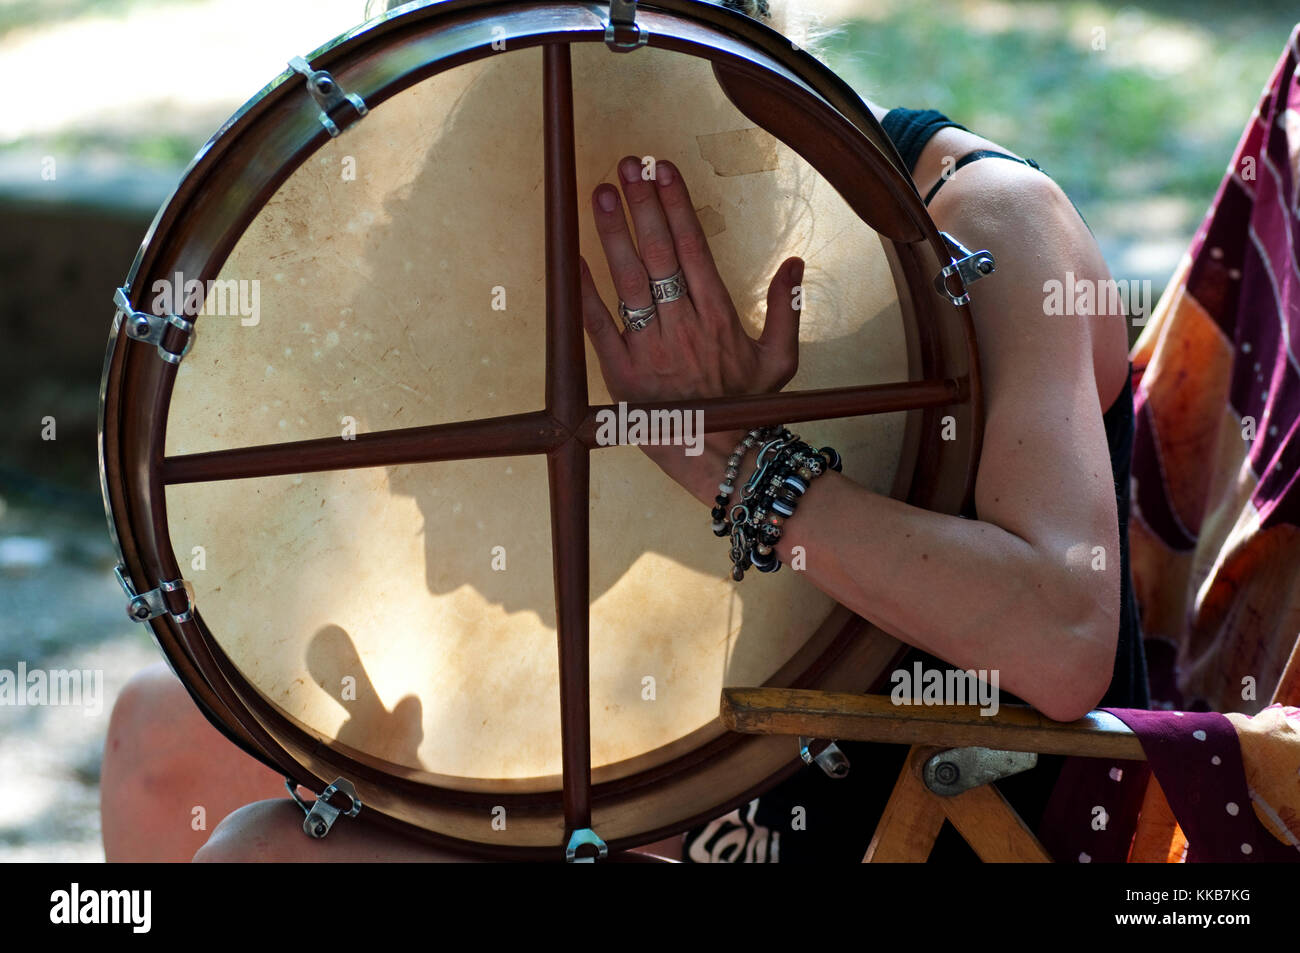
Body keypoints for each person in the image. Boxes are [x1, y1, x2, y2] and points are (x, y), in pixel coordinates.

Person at [100, 0, 1147, 863]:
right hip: (668, 780)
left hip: (910, 819)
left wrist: (736, 462)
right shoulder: (508, 190)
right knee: (160, 735)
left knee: (264, 857)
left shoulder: (988, 224)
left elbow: (1063, 642)